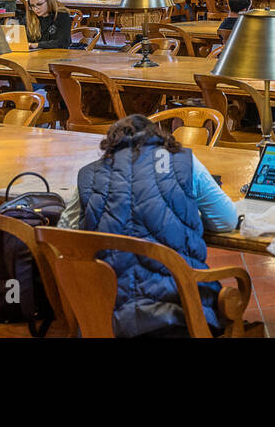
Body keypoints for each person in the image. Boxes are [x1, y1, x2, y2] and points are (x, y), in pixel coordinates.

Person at [56, 115, 238, 337]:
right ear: (160, 137)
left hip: (108, 310)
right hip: (180, 307)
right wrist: (183, 215)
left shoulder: (91, 172)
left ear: (111, 142)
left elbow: (64, 230)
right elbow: (226, 220)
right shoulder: (182, 161)